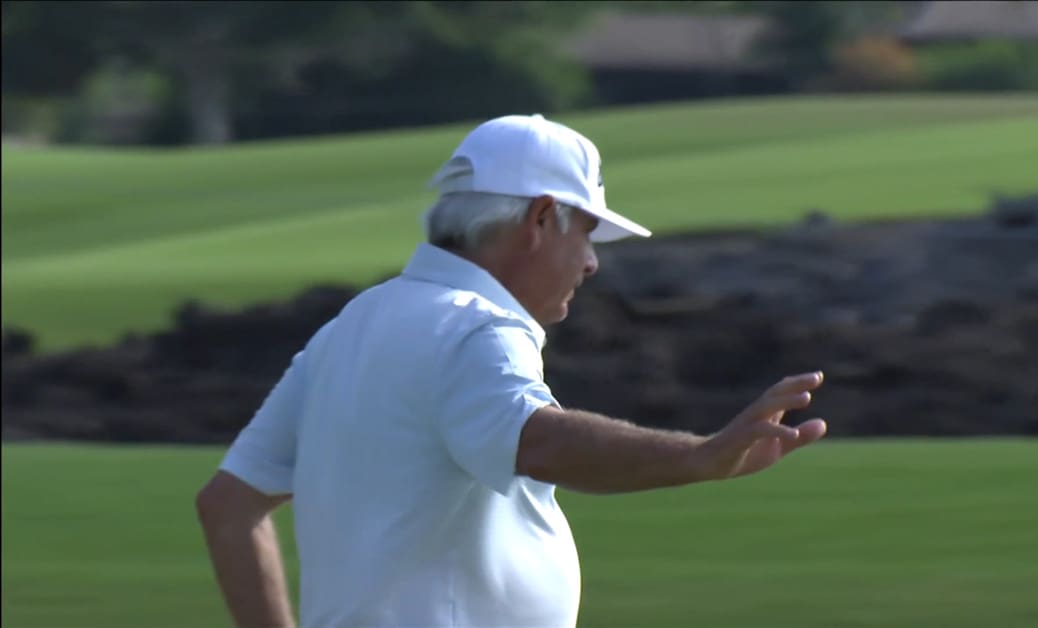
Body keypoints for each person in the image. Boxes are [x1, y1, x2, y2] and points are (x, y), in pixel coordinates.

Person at [195, 114, 828, 628]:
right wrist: (702, 456)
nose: (590, 263)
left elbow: (229, 503)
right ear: (539, 219)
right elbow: (537, 440)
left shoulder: (352, 326)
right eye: (585, 232)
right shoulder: (477, 327)